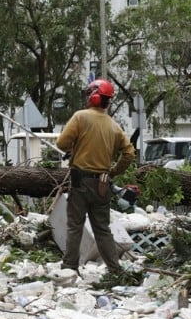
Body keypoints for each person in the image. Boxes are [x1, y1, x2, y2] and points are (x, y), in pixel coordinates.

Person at [56, 78, 135, 276]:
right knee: (102, 229)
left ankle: (70, 268)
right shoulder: (114, 126)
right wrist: (113, 171)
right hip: (103, 184)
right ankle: (115, 270)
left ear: (94, 97)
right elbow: (129, 154)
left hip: (80, 181)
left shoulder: (80, 117)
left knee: (75, 225)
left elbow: (61, 143)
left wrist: (74, 147)